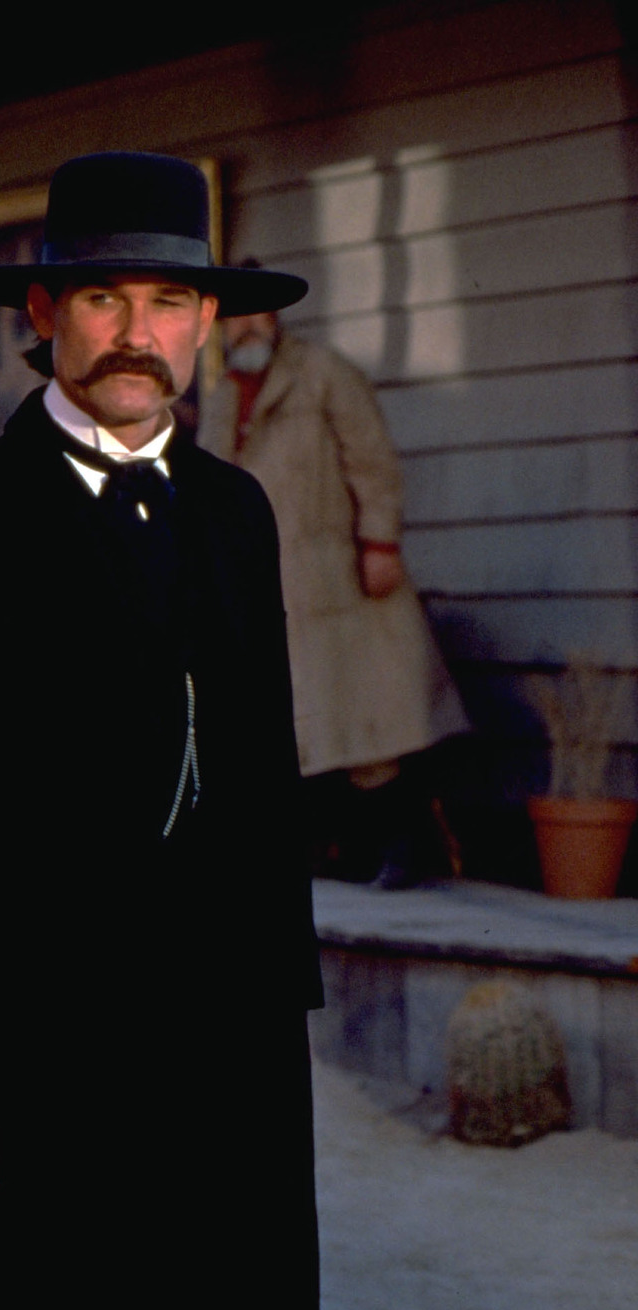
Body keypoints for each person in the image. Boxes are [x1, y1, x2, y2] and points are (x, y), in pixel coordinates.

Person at [0, 153, 327, 1310]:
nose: (136, 333)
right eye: (104, 300)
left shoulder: (233, 511)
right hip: (36, 1052)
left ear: (207, 320)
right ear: (43, 312)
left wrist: (278, 1021)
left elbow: (260, 778)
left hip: (231, 1054)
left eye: (166, 304)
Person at [199, 283, 469, 887]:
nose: (244, 330)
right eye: (232, 320)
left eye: (255, 316)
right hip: (272, 586)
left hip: (339, 574)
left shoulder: (322, 374)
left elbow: (371, 458)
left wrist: (380, 542)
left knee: (371, 724)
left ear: (274, 319)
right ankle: (337, 856)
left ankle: (403, 853)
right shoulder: (222, 399)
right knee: (301, 731)